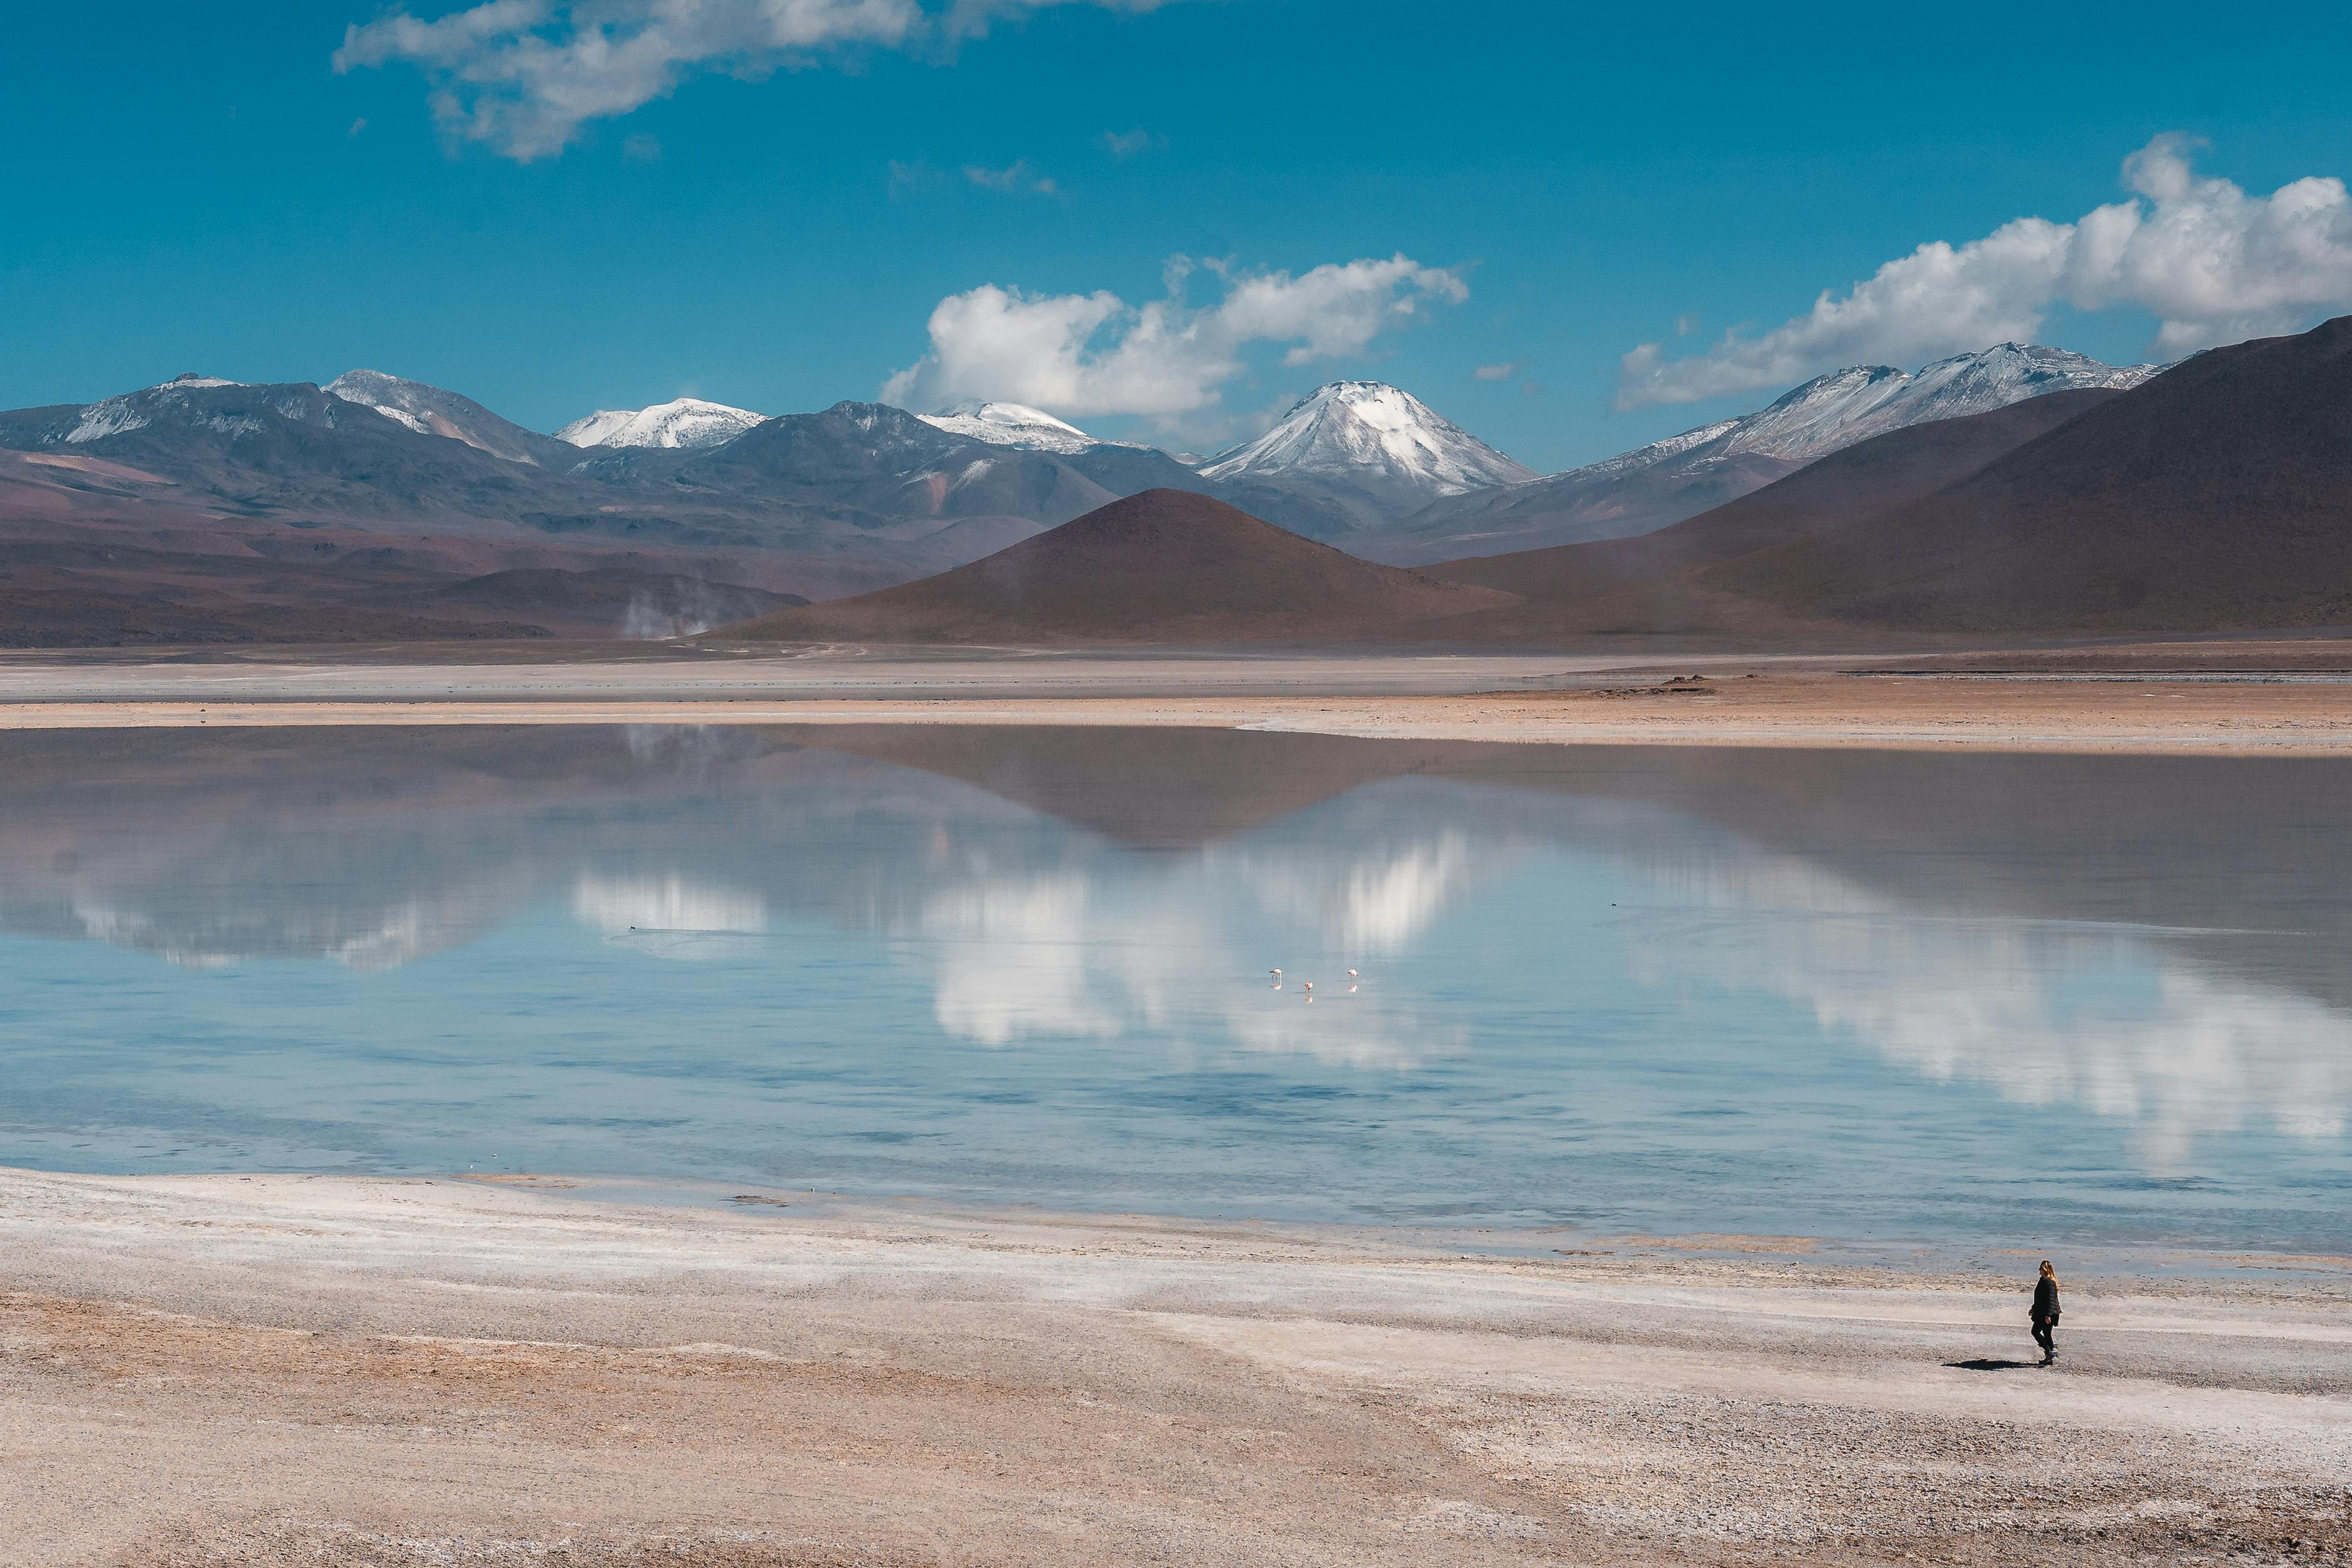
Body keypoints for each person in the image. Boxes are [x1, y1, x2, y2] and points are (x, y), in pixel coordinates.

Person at [2030, 1260, 2062, 1366]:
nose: (2039, 1271)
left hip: (2048, 1313)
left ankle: (2049, 1353)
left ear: (2046, 1270)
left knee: (2035, 1331)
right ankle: (2050, 1357)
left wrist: (2048, 1315)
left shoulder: (2049, 1282)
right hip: (2044, 1311)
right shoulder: (2043, 1280)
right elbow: (2040, 1298)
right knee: (2047, 1334)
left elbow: (2050, 1300)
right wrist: (2033, 1308)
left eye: (2041, 1269)